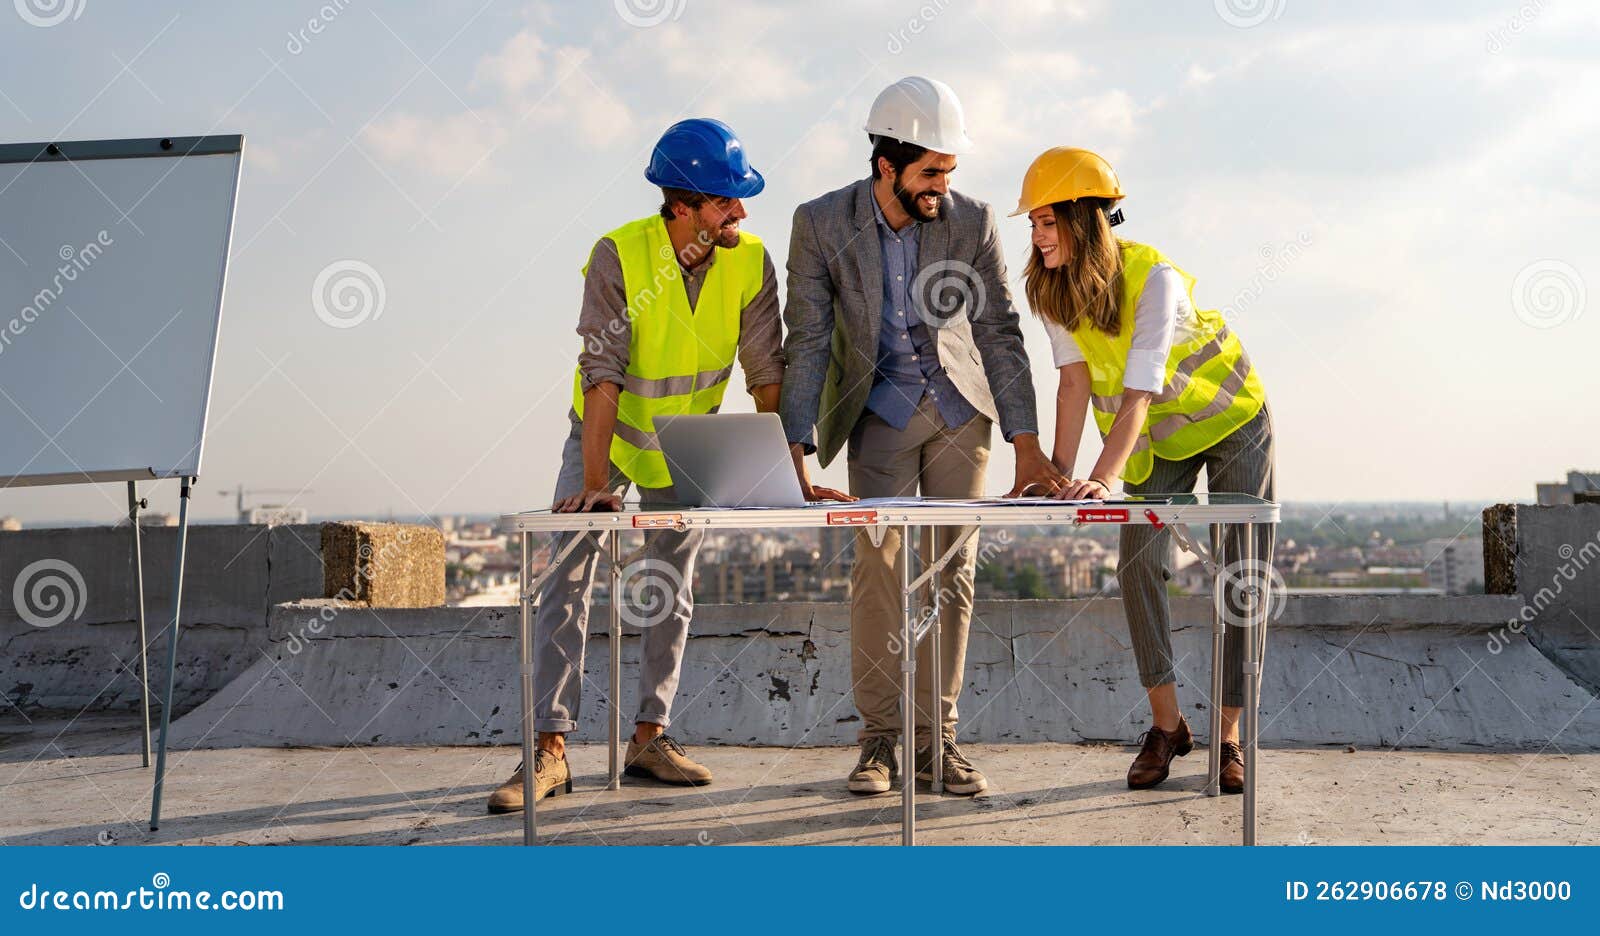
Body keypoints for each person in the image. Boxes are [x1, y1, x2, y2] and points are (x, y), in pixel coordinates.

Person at [488, 118, 845, 814]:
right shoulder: (619, 255)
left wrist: (793, 474)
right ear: (682, 206)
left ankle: (650, 738)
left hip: (686, 442)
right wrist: (595, 487)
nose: (740, 211)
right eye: (724, 201)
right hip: (609, 437)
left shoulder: (749, 260)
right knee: (566, 576)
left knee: (669, 587)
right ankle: (551, 751)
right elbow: (602, 375)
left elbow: (766, 376)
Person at [781, 77, 1066, 797]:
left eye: (949, 170)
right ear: (887, 166)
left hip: (960, 413)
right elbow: (808, 340)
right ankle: (880, 741)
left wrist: (1025, 442)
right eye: (930, 171)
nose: (943, 183)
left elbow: (1000, 330)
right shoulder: (819, 223)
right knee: (878, 573)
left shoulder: (968, 221)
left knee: (951, 576)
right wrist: (797, 445)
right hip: (876, 415)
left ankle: (938, 742)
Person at [1014, 146, 1274, 793]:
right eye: (1034, 225)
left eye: (1049, 222)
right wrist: (1059, 476)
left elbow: (1137, 397)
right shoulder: (1052, 291)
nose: (1039, 236)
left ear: (1086, 220)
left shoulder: (1153, 278)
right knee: (1137, 564)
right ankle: (1168, 727)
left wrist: (1100, 480)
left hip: (1232, 418)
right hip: (1157, 443)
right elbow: (1073, 386)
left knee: (1241, 576)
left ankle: (1230, 739)